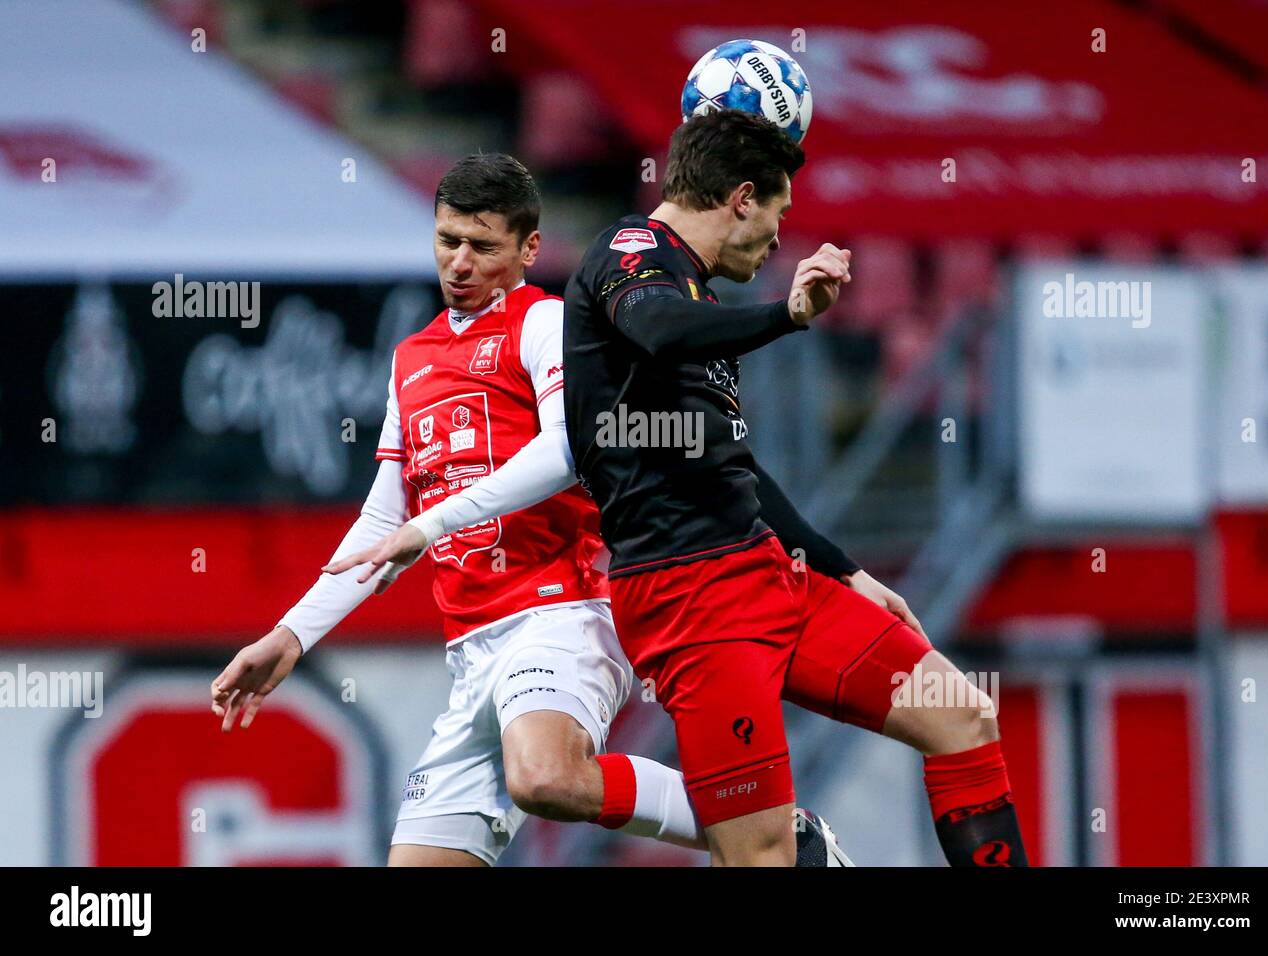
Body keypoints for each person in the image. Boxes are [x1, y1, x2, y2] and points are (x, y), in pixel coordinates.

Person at [558, 110, 1030, 867]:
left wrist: (846, 570)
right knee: (762, 854)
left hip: (770, 574)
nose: (780, 238)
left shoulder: (698, 298)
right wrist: (787, 315)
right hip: (691, 602)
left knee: (962, 716)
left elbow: (733, 468)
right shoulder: (631, 252)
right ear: (742, 197)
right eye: (778, 213)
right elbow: (656, 328)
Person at [211, 153, 712, 867]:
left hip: (559, 614)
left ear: (529, 248)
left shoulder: (546, 324)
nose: (460, 262)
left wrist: (433, 523)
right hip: (471, 651)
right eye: (448, 241)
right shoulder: (411, 359)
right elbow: (384, 520)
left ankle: (762, 822)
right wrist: (290, 637)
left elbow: (566, 447)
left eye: (483, 245)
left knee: (543, 775)